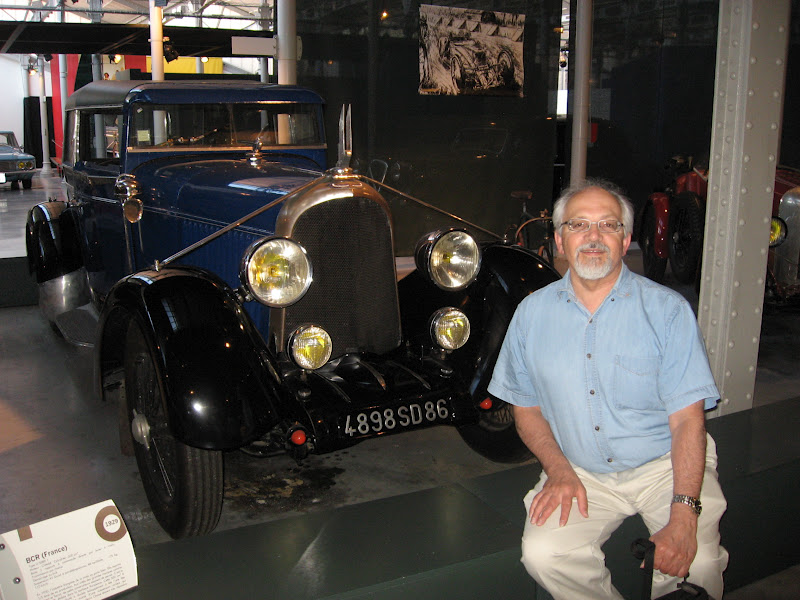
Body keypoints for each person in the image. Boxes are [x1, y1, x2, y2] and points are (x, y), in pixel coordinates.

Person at [488, 180, 728, 599]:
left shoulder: (667, 312)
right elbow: (526, 409)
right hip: (579, 468)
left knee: (699, 563)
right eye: (579, 225)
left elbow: (688, 419)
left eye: (608, 225)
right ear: (560, 240)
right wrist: (559, 471)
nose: (594, 237)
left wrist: (685, 514)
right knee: (545, 553)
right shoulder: (531, 314)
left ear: (626, 238)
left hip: (664, 464)